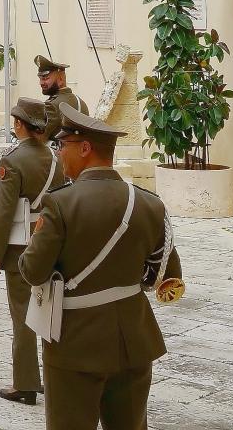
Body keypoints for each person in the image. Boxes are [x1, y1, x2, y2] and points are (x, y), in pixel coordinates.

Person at [20, 106, 183, 430]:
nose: (59, 154)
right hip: (135, 339)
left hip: (75, 343)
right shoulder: (149, 203)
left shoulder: (60, 203)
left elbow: (33, 271)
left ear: (85, 148)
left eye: (63, 145)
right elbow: (165, 275)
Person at [0, 96, 61, 405]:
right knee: (53, 313)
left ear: (19, 124)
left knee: (23, 314)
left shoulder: (12, 161)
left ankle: (26, 382)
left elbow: (4, 212)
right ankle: (55, 379)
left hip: (21, 247)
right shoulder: (57, 158)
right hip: (52, 242)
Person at [36, 55, 88, 137]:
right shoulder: (81, 102)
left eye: (46, 78)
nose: (41, 83)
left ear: (60, 79)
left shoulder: (51, 105)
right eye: (40, 79)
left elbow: (39, 139)